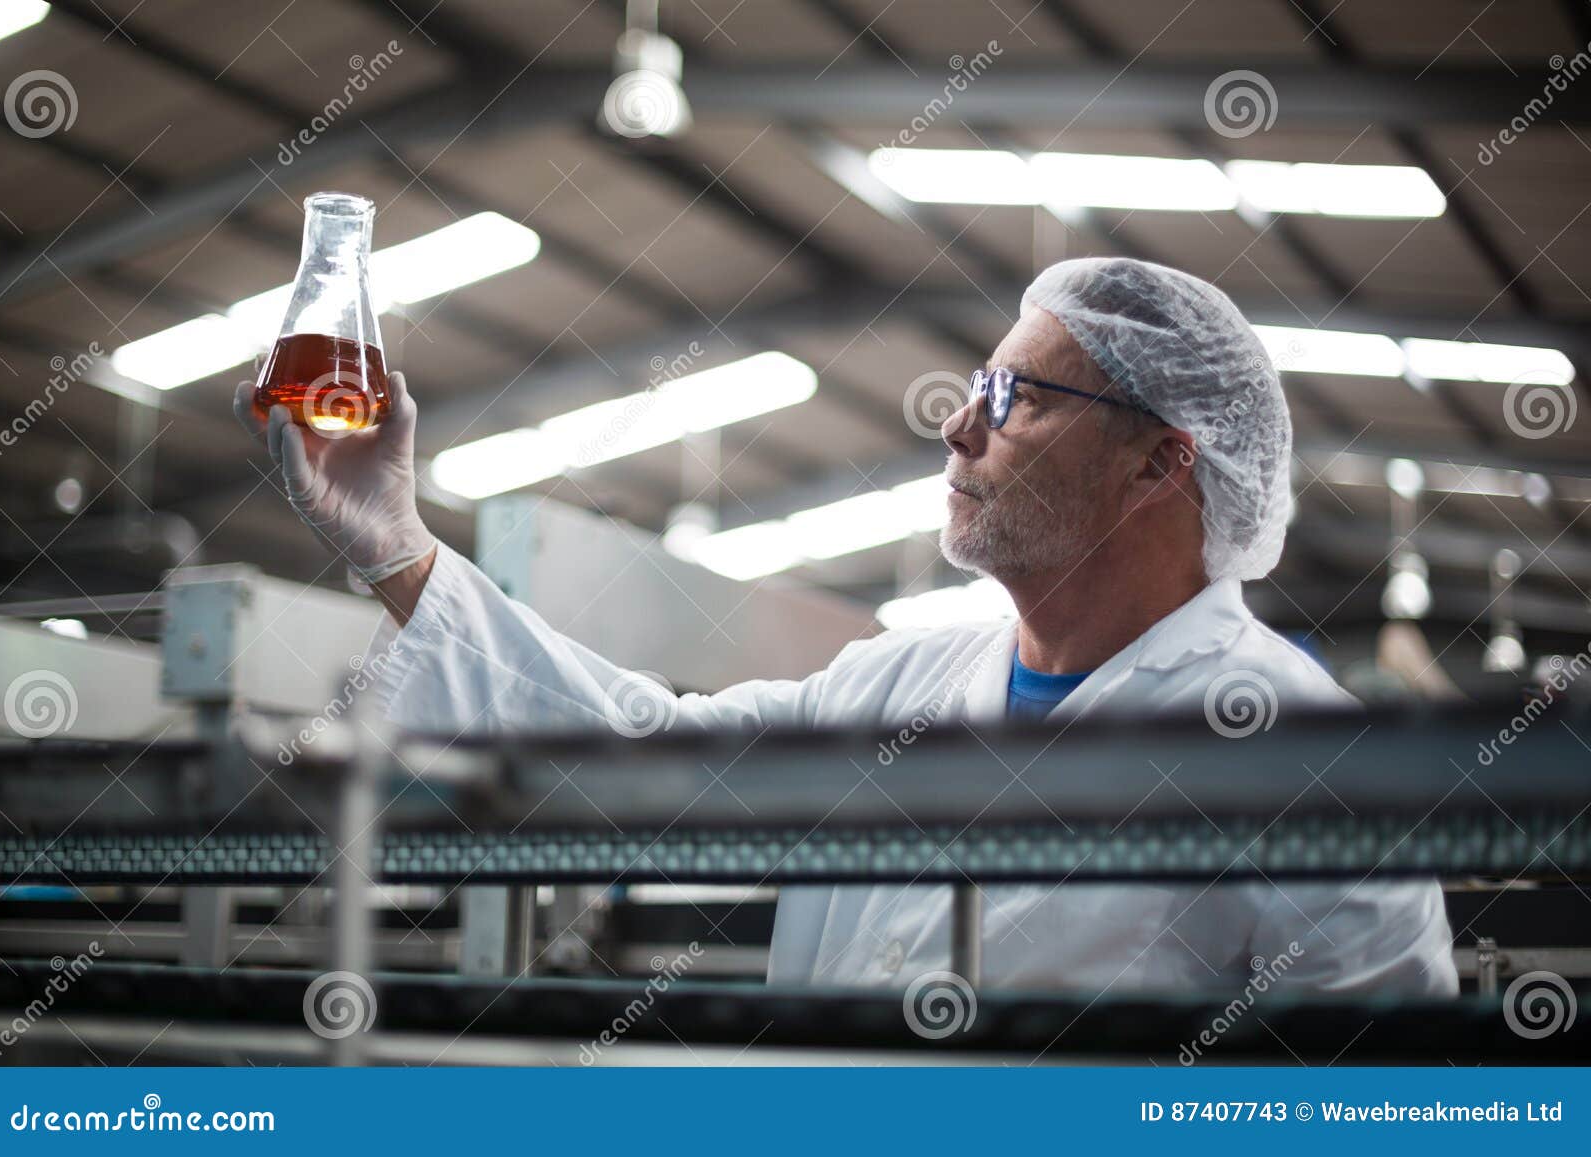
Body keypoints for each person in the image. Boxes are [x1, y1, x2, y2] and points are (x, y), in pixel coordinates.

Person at [234, 257, 1456, 995]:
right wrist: (395, 541)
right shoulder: (904, 680)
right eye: (977, 388)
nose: (957, 427)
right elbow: (646, 763)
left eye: (1015, 398)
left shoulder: (1305, 756)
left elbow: (1385, 1093)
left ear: (1156, 464)